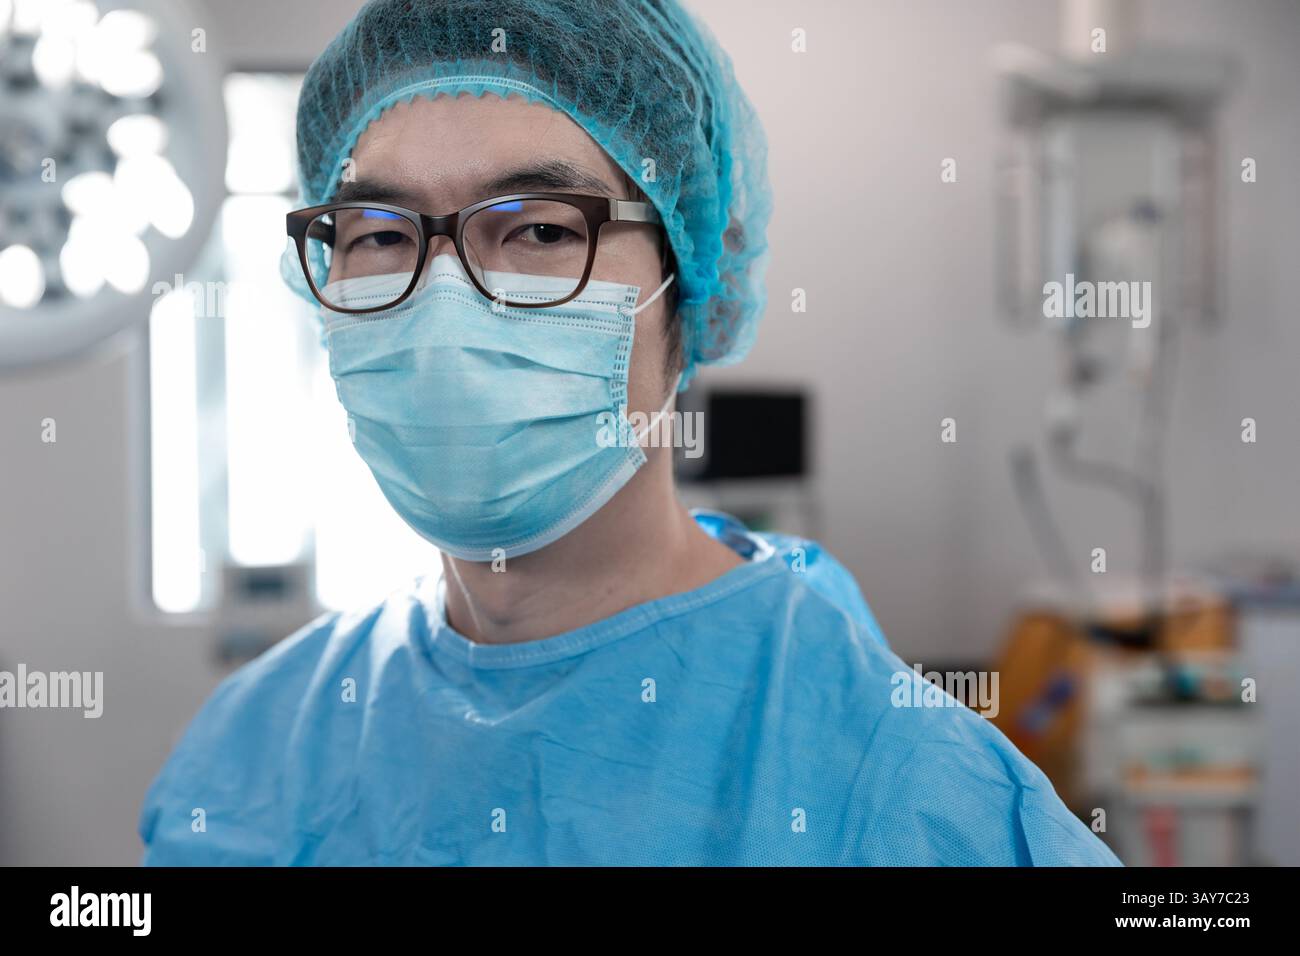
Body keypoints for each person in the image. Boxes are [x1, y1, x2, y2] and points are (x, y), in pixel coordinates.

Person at [139, 0, 1120, 866]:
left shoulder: (906, 790)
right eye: (381, 235)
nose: (445, 299)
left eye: (539, 228)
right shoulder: (257, 743)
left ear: (685, 287)